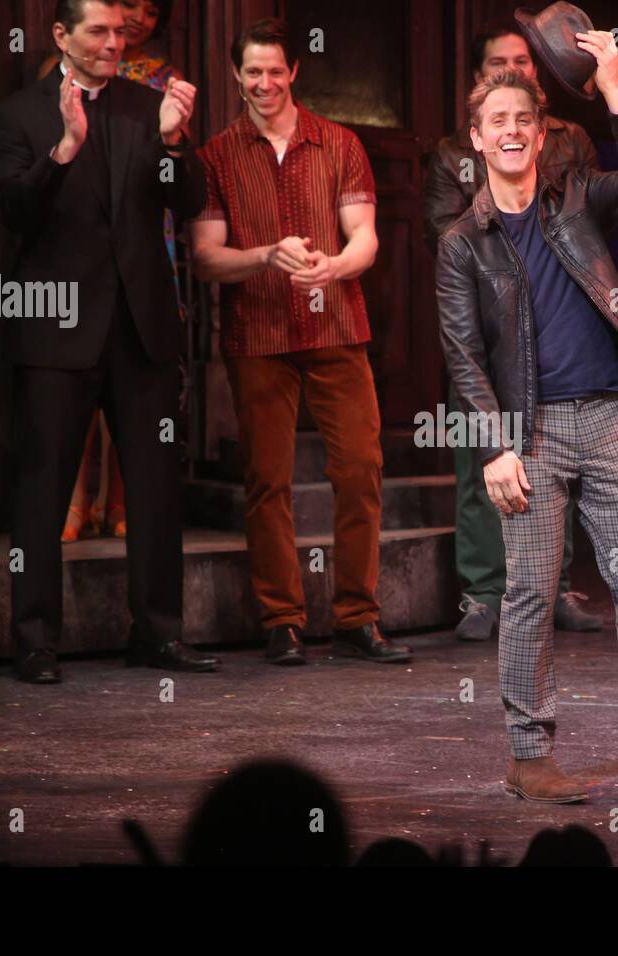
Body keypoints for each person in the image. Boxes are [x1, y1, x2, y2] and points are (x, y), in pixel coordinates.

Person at [436, 32, 618, 802]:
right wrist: (496, 446)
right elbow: (463, 356)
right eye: (495, 119)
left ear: (538, 131)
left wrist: (614, 84)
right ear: (477, 137)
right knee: (528, 591)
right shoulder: (464, 242)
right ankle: (528, 755)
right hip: (528, 434)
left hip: (608, 418)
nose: (509, 130)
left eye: (522, 119)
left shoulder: (577, 200)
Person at [0, 0, 217, 682]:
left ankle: (157, 634)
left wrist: (176, 144)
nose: (115, 42)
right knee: (41, 494)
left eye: (121, 31)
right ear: (61, 35)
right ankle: (34, 642)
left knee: (154, 491)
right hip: (57, 330)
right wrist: (63, 149)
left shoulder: (146, 107)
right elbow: (12, 212)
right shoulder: (20, 113)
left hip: (142, 328)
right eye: (99, 31)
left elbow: (187, 202)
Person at [192, 17, 410, 667]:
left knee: (360, 469)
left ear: (295, 73)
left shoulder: (338, 143)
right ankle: (281, 620)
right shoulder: (215, 157)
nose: (264, 82)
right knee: (267, 479)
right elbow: (205, 258)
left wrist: (334, 266)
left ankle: (356, 616)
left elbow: (364, 237)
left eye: (275, 71)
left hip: (336, 326)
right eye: (252, 72)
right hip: (257, 333)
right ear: (237, 76)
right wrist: (266, 256)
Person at [422, 20, 602, 642]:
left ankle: (553, 587)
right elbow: (446, 231)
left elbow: (595, 219)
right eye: (500, 62)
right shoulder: (453, 152)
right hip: (487, 325)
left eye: (524, 61)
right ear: (480, 80)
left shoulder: (568, 140)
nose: (516, 69)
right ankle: (482, 594)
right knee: (483, 465)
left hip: (555, 329)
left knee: (555, 465)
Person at [36, 0, 184, 543]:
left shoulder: (162, 83)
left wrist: (171, 141)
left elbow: (180, 184)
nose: (133, 24)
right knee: (72, 398)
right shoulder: (52, 82)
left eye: (146, 13)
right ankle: (74, 501)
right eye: (125, 10)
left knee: (136, 393)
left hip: (144, 245)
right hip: (71, 267)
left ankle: (117, 499)